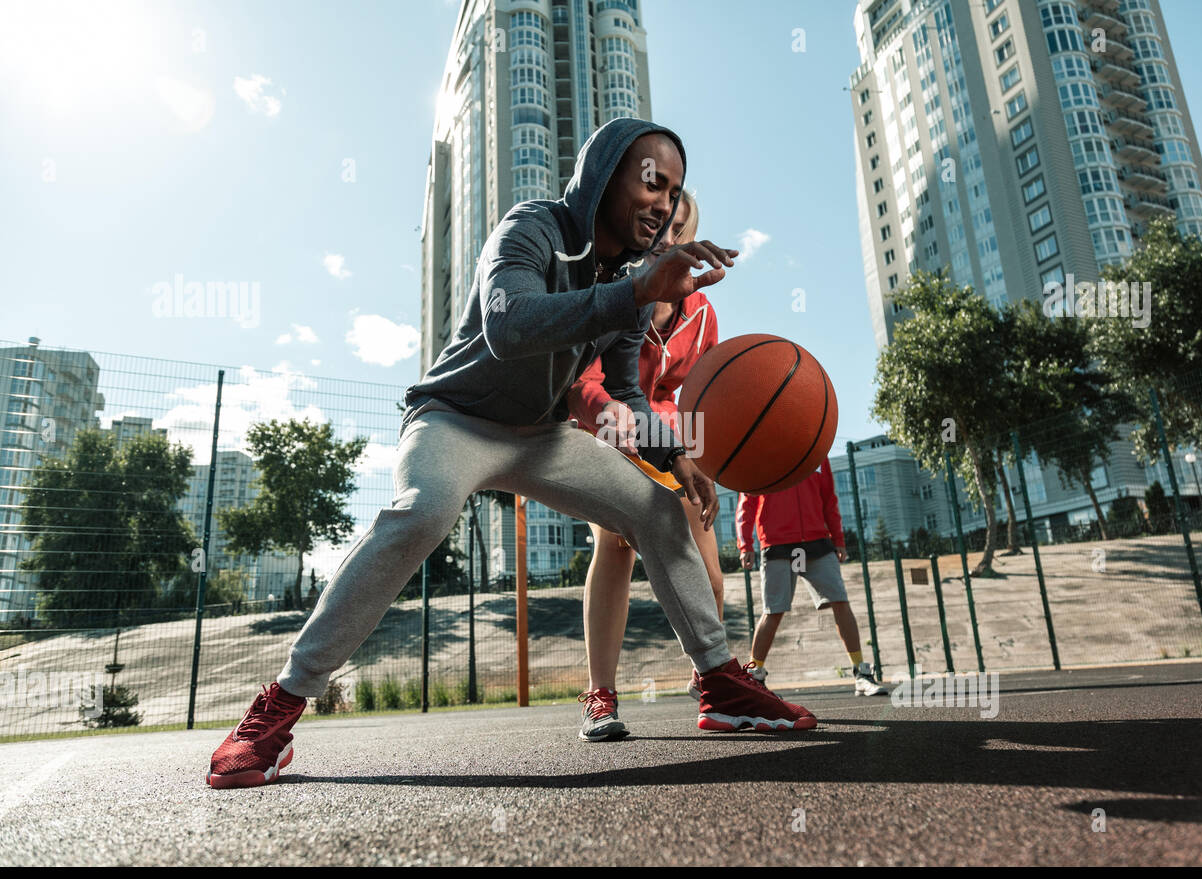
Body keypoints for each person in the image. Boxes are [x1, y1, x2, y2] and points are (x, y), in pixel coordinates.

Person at [206, 119, 817, 789]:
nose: (663, 203)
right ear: (602, 175)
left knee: (658, 510)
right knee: (423, 512)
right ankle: (280, 705)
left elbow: (622, 393)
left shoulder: (634, 286)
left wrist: (677, 454)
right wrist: (637, 292)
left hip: (540, 435)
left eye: (672, 192)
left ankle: (721, 686)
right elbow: (508, 325)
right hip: (454, 418)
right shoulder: (533, 229)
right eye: (650, 181)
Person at [566, 190, 724, 741]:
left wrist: (696, 459)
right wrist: (626, 433)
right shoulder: (610, 291)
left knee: (708, 572)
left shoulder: (701, 314)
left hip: (670, 434)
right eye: (658, 227)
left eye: (678, 229)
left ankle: (713, 681)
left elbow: (698, 398)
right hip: (604, 419)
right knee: (614, 542)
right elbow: (583, 384)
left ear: (690, 238)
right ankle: (600, 696)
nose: (666, 238)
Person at [730, 459, 885, 697]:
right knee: (773, 611)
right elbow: (747, 500)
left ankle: (861, 674)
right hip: (778, 543)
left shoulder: (816, 452)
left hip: (816, 541)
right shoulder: (761, 450)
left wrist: (839, 539)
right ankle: (755, 677)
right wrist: (745, 544)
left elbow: (829, 497)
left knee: (840, 601)